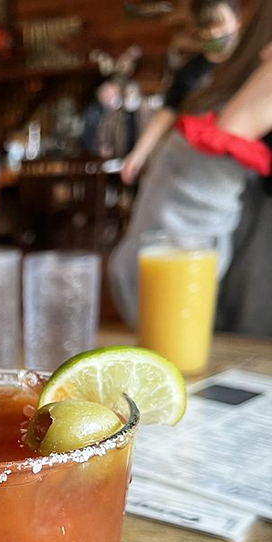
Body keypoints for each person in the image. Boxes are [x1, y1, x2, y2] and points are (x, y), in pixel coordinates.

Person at [108, 0, 272, 328]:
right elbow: (146, 300)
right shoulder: (200, 80)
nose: (216, 36)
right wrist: (233, 130)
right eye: (208, 30)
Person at [121, 0, 242, 185]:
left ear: (237, 21)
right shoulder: (191, 72)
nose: (214, 33)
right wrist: (138, 155)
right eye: (207, 27)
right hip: (207, 165)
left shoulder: (253, 63)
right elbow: (168, 110)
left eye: (220, 24)